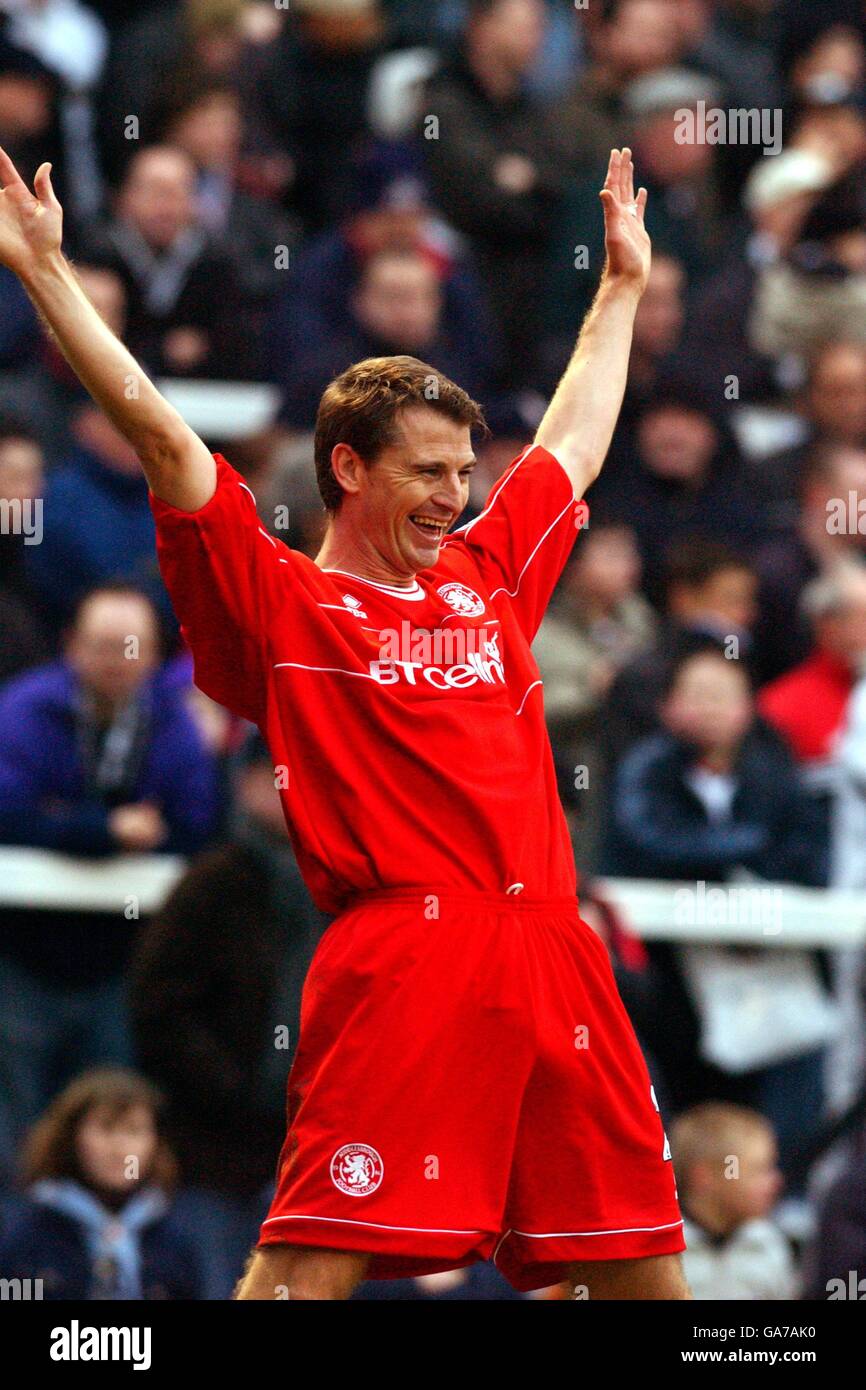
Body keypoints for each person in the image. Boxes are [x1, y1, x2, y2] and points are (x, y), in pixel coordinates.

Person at [0, 140, 690, 1299]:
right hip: (405, 953)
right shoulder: (286, 603)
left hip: (553, 952)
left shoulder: (487, 574)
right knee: (307, 1269)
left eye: (462, 471)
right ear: (345, 468)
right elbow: (168, 439)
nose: (452, 495)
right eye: (424, 471)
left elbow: (570, 446)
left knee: (637, 1272)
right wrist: (45, 275)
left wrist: (617, 289)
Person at [0, 1067, 202, 1299]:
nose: (119, 1148)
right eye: (105, 1128)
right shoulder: (26, 1236)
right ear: (71, 1139)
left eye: (134, 1130)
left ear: (155, 1144)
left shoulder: (174, 1244)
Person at [670, 1103, 799, 1301]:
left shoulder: (768, 1244)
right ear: (703, 1178)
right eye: (759, 1170)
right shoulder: (662, 1253)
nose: (776, 1182)